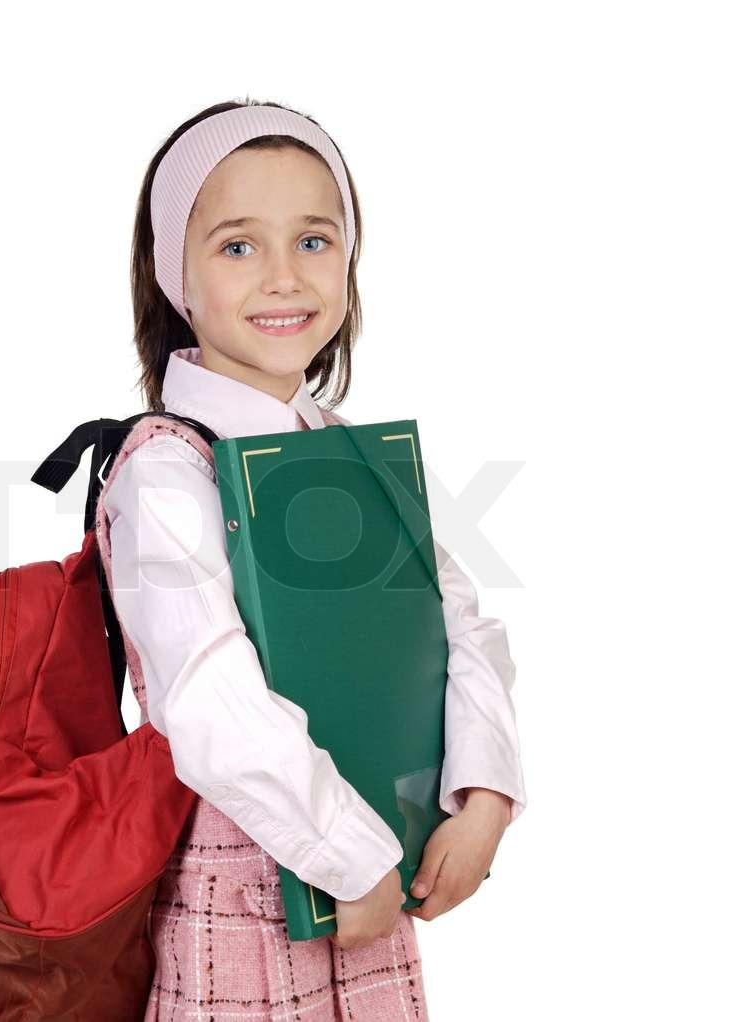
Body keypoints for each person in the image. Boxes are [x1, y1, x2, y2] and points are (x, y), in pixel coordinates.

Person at [100, 100, 526, 1021]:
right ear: (175, 272)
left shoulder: (353, 450)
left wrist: (486, 795)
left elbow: (459, 624)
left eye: (314, 241)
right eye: (238, 246)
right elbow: (207, 697)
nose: (284, 277)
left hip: (375, 885)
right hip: (246, 900)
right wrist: (351, 857)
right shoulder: (165, 469)